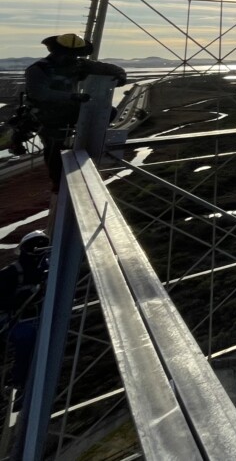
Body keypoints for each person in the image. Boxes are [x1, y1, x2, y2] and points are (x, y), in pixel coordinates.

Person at [24, 34, 126, 194]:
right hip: (48, 114)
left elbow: (108, 68)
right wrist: (71, 96)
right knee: (54, 145)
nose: (71, 58)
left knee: (107, 112)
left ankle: (86, 147)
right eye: (67, 54)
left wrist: (120, 75)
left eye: (75, 55)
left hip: (70, 109)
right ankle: (58, 182)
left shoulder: (78, 64)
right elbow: (39, 93)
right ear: (56, 52)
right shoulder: (38, 69)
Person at [1, 230, 51, 403]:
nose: (39, 250)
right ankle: (18, 382)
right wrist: (15, 301)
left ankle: (23, 381)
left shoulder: (46, 268)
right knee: (27, 338)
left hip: (37, 317)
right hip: (16, 320)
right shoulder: (11, 273)